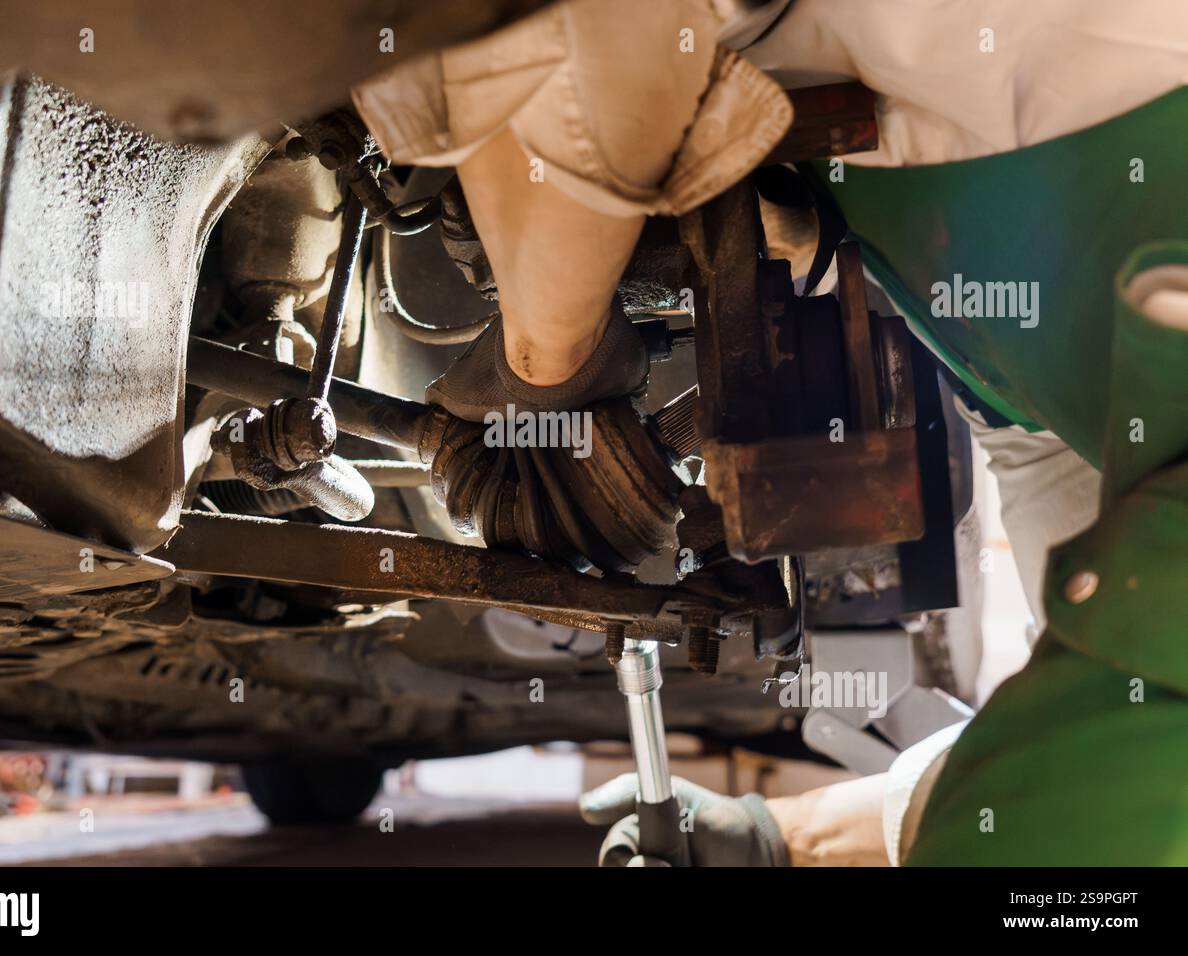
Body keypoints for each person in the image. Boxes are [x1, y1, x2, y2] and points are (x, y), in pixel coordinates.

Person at [353, 0, 1188, 864]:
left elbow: (1059, 749)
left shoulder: (1096, 504)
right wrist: (550, 361)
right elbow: (579, 33)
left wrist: (782, 837)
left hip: (893, 163)